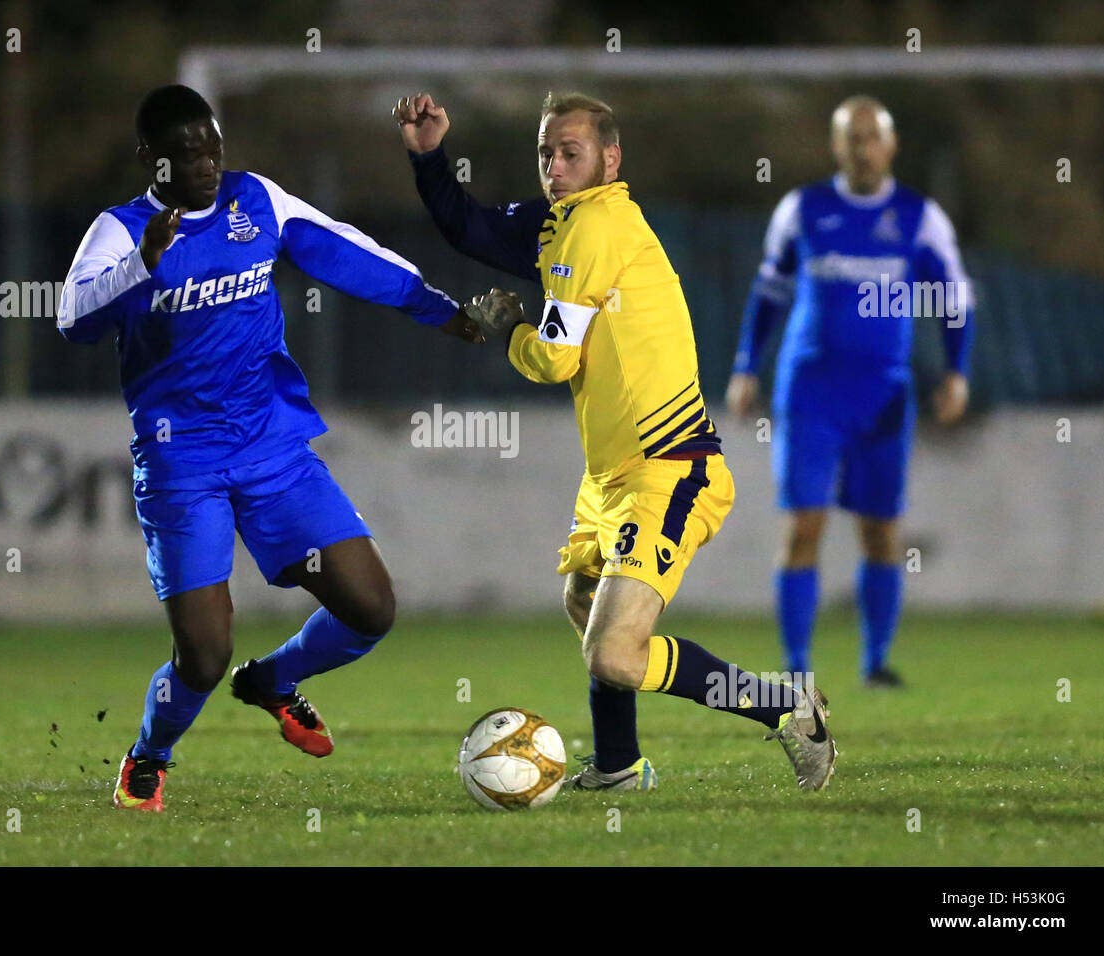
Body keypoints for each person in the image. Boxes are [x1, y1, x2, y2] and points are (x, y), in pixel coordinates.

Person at [396, 90, 836, 792]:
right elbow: (471, 229)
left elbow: (553, 360)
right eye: (546, 153)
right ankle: (619, 767)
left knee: (617, 655)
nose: (555, 165)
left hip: (670, 467)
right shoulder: (560, 224)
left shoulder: (597, 228)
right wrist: (428, 157)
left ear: (610, 157)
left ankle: (784, 704)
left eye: (570, 152)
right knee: (583, 605)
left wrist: (508, 325)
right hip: (613, 476)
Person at [58, 84, 482, 811]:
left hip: (272, 448)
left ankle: (275, 680)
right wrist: (141, 266)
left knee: (370, 608)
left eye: (212, 147)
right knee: (203, 652)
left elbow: (349, 253)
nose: (204, 163)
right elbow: (73, 321)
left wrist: (442, 312)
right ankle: (147, 756)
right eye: (186, 153)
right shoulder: (121, 230)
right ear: (148, 159)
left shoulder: (254, 202)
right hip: (180, 463)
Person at [726, 95, 975, 687]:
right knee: (803, 524)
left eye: (872, 137)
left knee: (881, 529)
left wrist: (957, 373)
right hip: (810, 390)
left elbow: (955, 302)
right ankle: (795, 669)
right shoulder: (803, 209)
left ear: (891, 146)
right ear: (836, 145)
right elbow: (769, 292)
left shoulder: (920, 217)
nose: (862, 148)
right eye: (851, 137)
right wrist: (744, 367)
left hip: (883, 394)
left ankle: (875, 662)